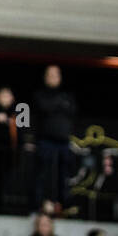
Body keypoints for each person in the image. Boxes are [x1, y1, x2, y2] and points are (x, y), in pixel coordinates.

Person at [28, 64, 77, 209]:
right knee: (41, 175)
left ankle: (63, 205)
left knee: (64, 176)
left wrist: (57, 105)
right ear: (45, 77)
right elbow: (41, 108)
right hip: (45, 141)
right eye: (50, 75)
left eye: (56, 75)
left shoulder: (68, 95)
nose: (53, 78)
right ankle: (37, 205)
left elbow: (73, 112)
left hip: (63, 141)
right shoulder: (38, 95)